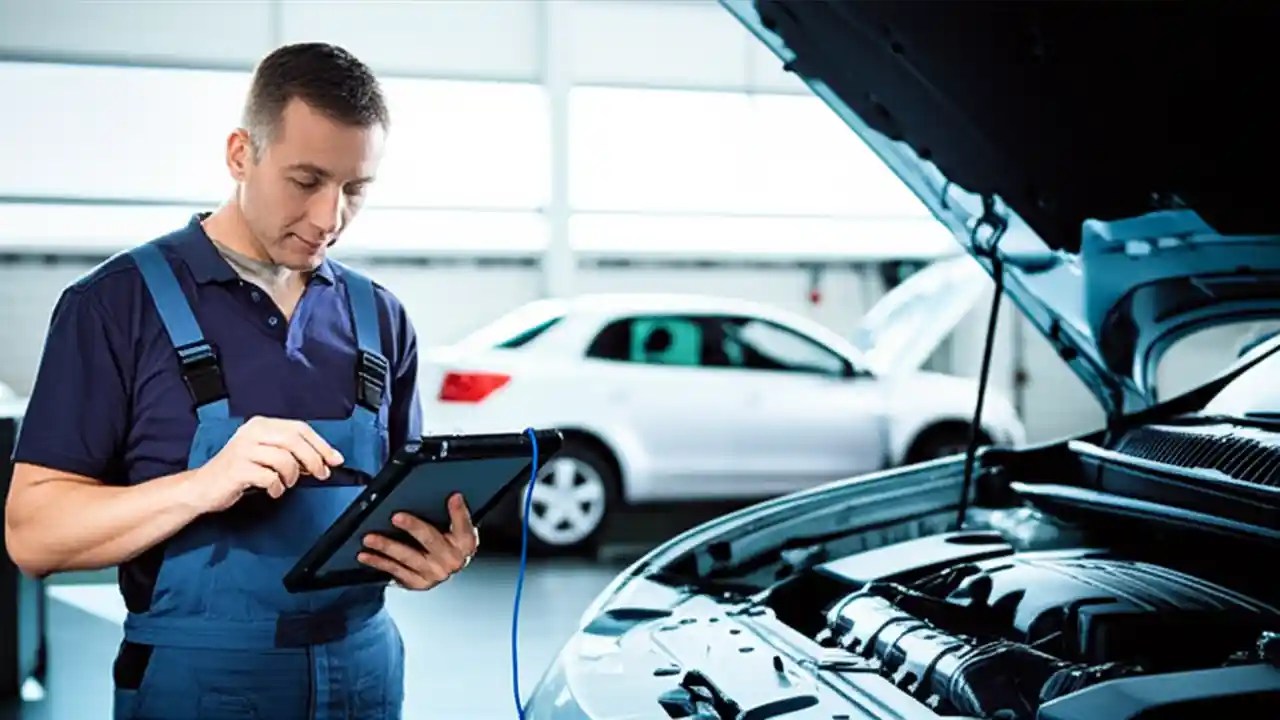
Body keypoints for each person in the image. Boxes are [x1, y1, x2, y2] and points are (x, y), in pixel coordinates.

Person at [3, 42, 478, 719]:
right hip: (199, 685)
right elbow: (32, 536)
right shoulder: (114, 306)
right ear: (239, 155)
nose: (329, 218)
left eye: (355, 190)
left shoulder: (382, 319)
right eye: (306, 180)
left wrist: (431, 552)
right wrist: (202, 486)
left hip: (367, 674)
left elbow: (394, 511)